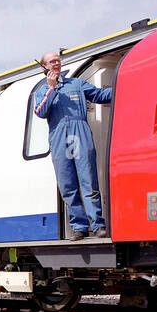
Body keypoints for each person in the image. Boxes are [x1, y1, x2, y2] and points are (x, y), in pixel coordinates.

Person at [31, 51, 114, 241]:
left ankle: (98, 225)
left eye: (58, 61)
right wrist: (51, 89)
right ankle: (79, 227)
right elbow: (40, 111)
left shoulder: (76, 83)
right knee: (67, 185)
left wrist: (124, 85)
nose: (57, 64)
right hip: (59, 136)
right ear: (44, 67)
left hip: (80, 132)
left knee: (88, 180)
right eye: (52, 61)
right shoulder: (42, 91)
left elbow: (100, 95)